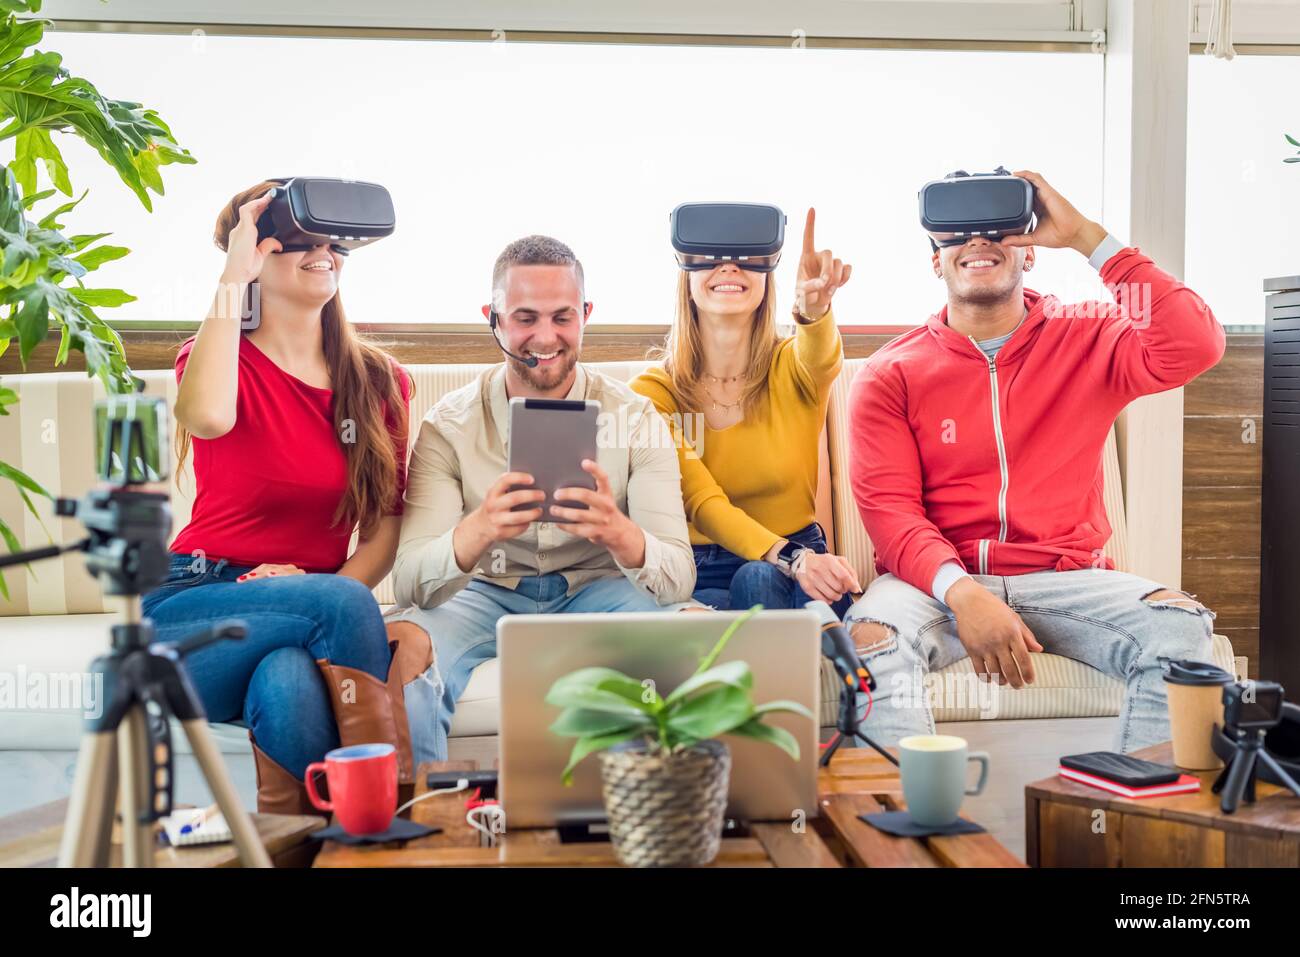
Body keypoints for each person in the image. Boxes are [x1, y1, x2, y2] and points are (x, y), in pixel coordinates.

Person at [846, 169, 1225, 752]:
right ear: (935, 262)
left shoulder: (1089, 336)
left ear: (1029, 253)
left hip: (1065, 578)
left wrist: (1086, 237)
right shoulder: (890, 373)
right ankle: (907, 832)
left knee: (1180, 625)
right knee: (870, 638)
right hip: (934, 584)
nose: (977, 241)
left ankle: (1139, 823)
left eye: (998, 229)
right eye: (955, 235)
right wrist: (962, 593)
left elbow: (1195, 343)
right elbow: (891, 511)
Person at [145, 181, 425, 815]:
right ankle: (395, 817)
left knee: (291, 684)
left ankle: (322, 849)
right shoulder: (216, 358)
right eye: (296, 239)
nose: (321, 251)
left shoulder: (381, 383)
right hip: (191, 606)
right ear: (254, 257)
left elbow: (383, 532)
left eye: (331, 240)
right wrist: (231, 274)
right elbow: (208, 418)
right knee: (336, 608)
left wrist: (315, 597)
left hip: (307, 615)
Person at [386, 234, 696, 764]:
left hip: (597, 588)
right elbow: (410, 580)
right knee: (400, 649)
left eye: (562, 317)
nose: (545, 336)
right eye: (525, 317)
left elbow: (678, 575)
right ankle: (425, 831)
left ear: (585, 316)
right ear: (494, 319)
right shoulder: (448, 426)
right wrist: (478, 530)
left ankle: (641, 822)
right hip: (483, 592)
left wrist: (620, 534)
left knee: (689, 642)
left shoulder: (637, 419)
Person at [632, 209, 861, 615]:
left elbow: (822, 359)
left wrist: (813, 312)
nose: (729, 266)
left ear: (767, 274)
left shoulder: (792, 369)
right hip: (702, 571)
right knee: (751, 581)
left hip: (802, 568)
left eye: (746, 256)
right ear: (686, 277)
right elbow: (702, 502)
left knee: (759, 579)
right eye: (709, 256)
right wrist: (789, 556)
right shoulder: (654, 394)